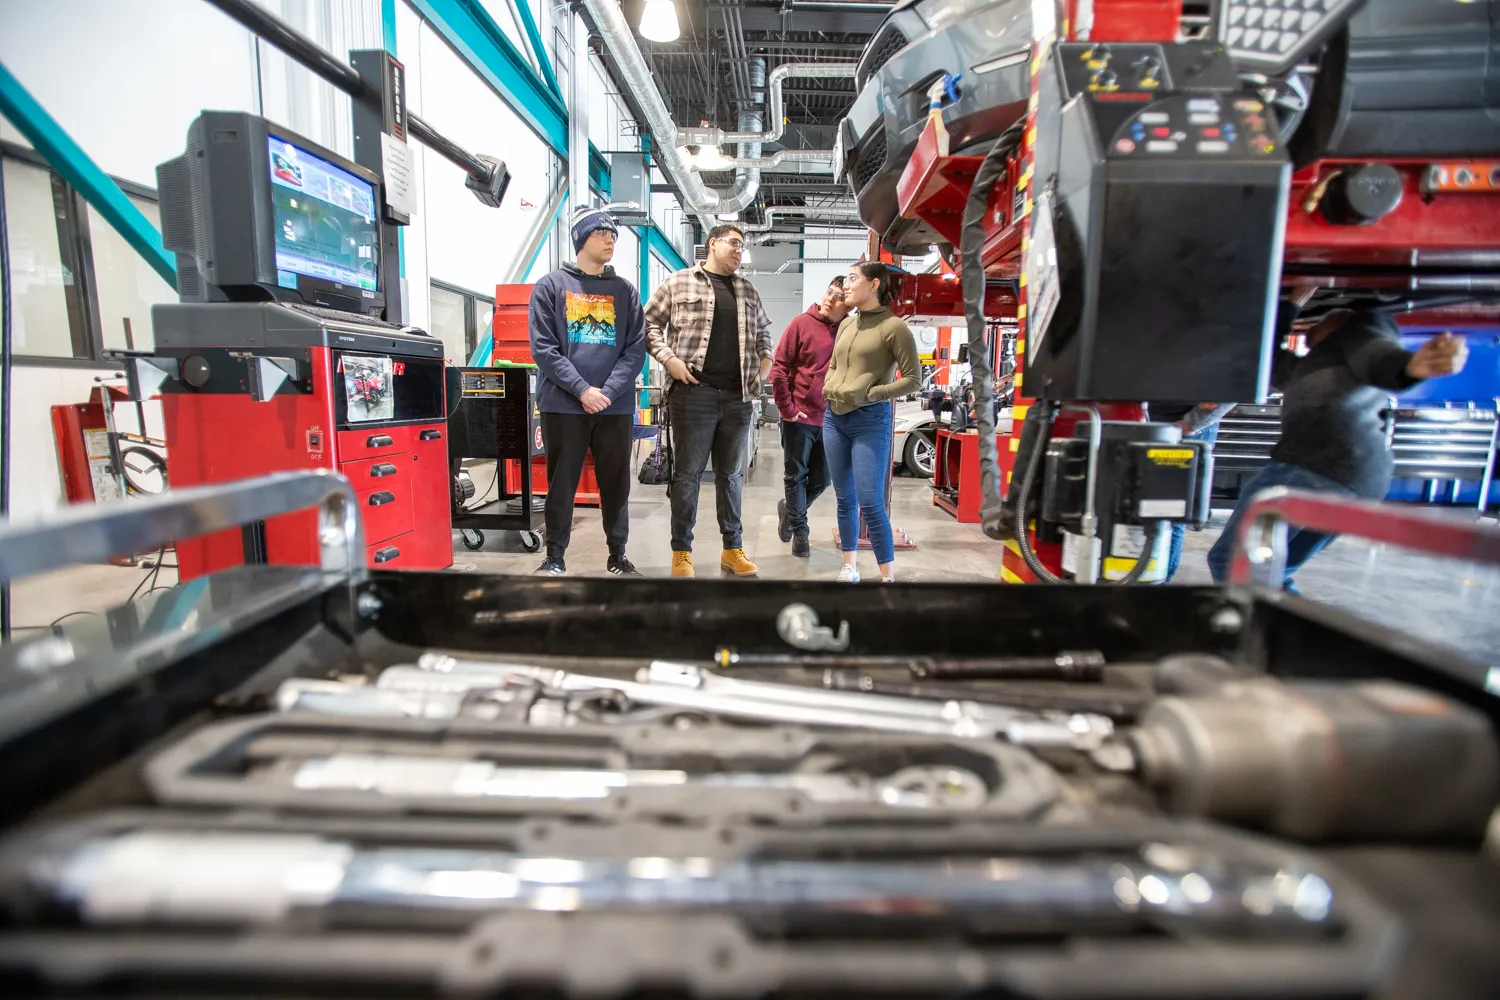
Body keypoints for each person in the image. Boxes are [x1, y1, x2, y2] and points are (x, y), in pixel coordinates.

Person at [1206, 308, 1468, 589]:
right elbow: (1266, 354)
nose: (1310, 328)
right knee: (1271, 571)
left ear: (1341, 322)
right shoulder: (1314, 367)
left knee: (1232, 561)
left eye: (1324, 318)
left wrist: (1409, 367)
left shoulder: (1360, 325)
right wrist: (1291, 303)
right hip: (1356, 480)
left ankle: (1271, 631)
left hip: (1318, 465)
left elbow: (1377, 354)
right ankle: (1290, 632)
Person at [645, 224, 774, 578]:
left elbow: (764, 335)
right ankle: (681, 552)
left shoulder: (747, 290)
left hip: (739, 397)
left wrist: (763, 368)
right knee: (687, 475)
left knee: (731, 475)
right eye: (733, 243)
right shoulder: (678, 282)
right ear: (712, 244)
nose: (738, 251)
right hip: (693, 394)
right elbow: (648, 324)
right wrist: (669, 359)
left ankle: (732, 549)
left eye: (742, 247)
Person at [527, 206, 646, 576]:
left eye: (614, 234)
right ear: (581, 238)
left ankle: (618, 555)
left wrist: (607, 392)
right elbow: (544, 348)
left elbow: (636, 348)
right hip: (564, 405)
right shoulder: (551, 286)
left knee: (616, 485)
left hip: (614, 407)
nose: (610, 239)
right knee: (561, 483)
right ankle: (556, 557)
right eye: (601, 233)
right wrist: (582, 390)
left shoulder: (625, 291)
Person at [821, 261, 920, 583]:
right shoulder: (847, 325)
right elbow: (835, 364)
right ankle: (849, 565)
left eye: (852, 279)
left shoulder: (894, 328)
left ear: (874, 284)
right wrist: (830, 384)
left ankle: (887, 577)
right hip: (834, 417)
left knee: (870, 501)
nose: (845, 286)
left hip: (869, 420)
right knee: (844, 498)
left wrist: (872, 393)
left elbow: (914, 380)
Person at [771, 276, 850, 557]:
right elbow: (778, 368)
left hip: (831, 420)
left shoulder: (849, 331)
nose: (830, 299)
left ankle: (789, 509)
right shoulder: (800, 324)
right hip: (799, 418)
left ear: (848, 305)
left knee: (822, 480)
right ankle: (800, 533)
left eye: (839, 297)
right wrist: (787, 409)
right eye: (829, 292)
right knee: (796, 476)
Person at [1152, 400, 1236, 581]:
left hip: (1180, 426)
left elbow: (1232, 384)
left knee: (1170, 513)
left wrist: (1192, 422)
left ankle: (1157, 585)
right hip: (1145, 420)